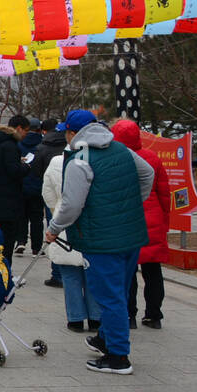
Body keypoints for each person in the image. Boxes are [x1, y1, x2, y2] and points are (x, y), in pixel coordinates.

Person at [46, 110, 154, 375]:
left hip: (102, 239)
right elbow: (147, 174)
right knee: (120, 288)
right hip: (130, 234)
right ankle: (105, 338)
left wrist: (54, 228)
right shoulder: (120, 149)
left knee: (109, 296)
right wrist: (129, 206)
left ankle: (118, 357)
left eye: (67, 133)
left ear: (73, 133)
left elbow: (71, 204)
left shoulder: (80, 160)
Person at [111, 119, 171, 330]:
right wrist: (165, 220)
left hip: (127, 219)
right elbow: (164, 193)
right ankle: (154, 315)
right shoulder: (152, 158)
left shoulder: (115, 158)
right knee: (153, 271)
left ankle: (129, 315)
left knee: (127, 272)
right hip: (152, 218)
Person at [41, 146, 99, 332]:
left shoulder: (56, 162)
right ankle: (95, 317)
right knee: (91, 273)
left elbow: (47, 192)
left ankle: (75, 318)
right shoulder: (96, 161)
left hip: (63, 218)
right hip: (92, 221)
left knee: (69, 274)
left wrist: (54, 210)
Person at [0, 115, 32, 264]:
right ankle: (5, 272)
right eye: (26, 130)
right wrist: (26, 167)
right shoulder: (10, 145)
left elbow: (1, 167)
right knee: (8, 240)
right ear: (18, 128)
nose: (26, 134)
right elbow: (14, 171)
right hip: (8, 199)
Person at [32, 119, 68, 287]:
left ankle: (57, 273)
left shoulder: (42, 148)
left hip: (53, 197)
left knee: (54, 231)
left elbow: (38, 172)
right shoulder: (70, 149)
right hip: (75, 197)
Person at [18, 118, 44, 255]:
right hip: (38, 186)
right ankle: (36, 247)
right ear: (39, 129)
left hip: (21, 185)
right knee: (37, 219)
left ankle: (21, 241)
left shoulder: (18, 143)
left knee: (22, 216)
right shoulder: (42, 144)